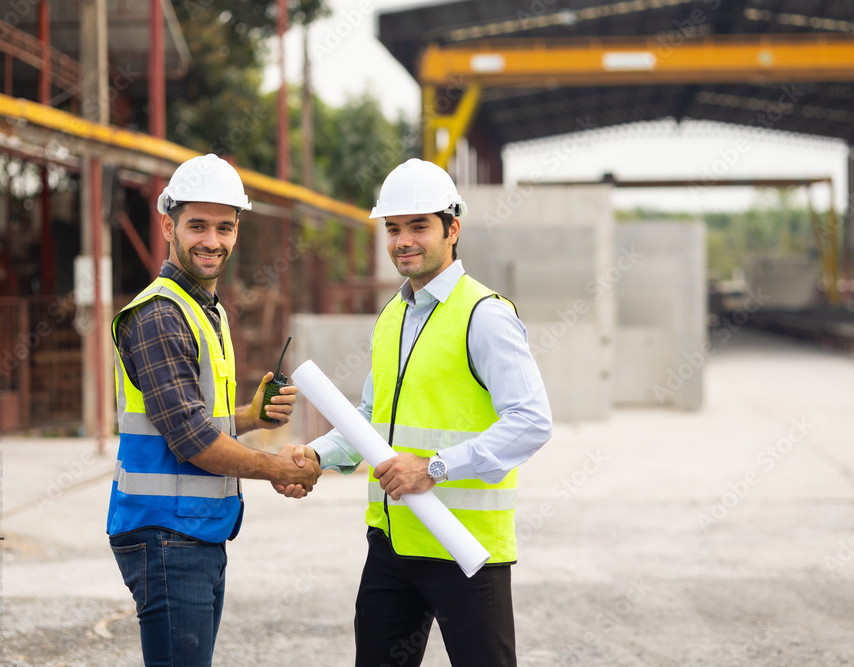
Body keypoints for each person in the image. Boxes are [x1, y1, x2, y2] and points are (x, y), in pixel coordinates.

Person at [278, 158, 553, 666]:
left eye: (419, 226)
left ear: (453, 229)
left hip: (464, 549)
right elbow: (369, 419)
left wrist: (434, 467)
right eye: (393, 229)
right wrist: (312, 457)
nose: (403, 240)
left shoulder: (484, 315)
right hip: (392, 546)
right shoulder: (393, 316)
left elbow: (531, 421)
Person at [107, 153, 321, 666]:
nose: (212, 240)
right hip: (166, 535)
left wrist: (251, 416)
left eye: (224, 227)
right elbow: (192, 441)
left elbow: (194, 418)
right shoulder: (160, 315)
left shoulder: (207, 308)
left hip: (197, 529)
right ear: (168, 225)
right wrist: (278, 468)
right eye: (197, 225)